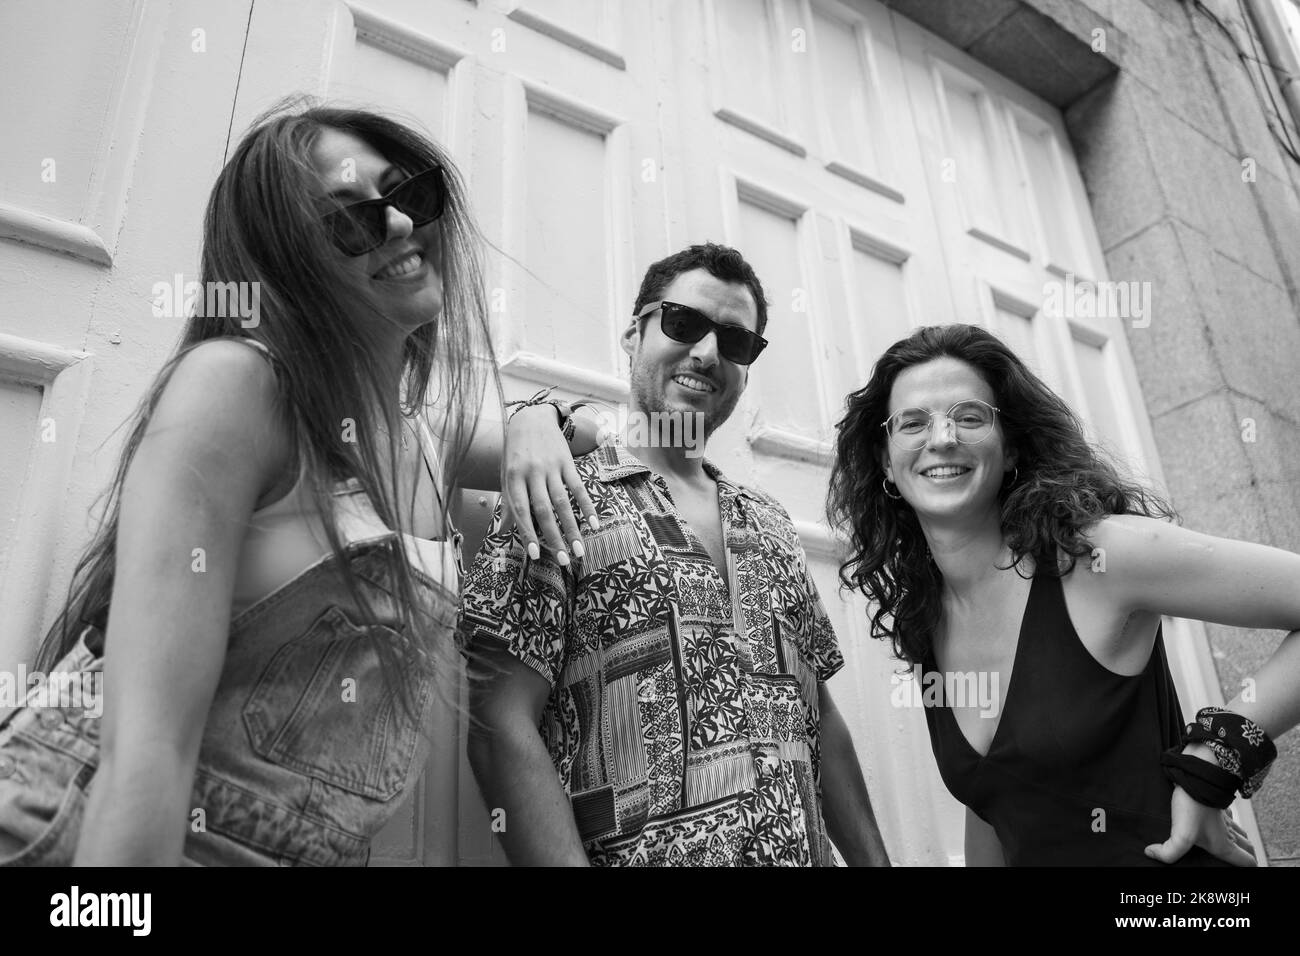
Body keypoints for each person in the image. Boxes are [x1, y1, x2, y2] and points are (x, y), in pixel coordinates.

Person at [0, 99, 597, 866]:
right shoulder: (240, 386)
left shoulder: (425, 436)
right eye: (349, 222)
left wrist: (535, 419)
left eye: (410, 196)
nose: (401, 228)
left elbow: (602, 435)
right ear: (284, 262)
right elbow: (147, 750)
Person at [458, 242, 891, 866]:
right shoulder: (560, 485)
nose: (708, 353)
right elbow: (498, 718)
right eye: (683, 324)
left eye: (736, 342)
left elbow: (817, 714)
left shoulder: (768, 521)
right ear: (635, 334)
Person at [826, 322, 1300, 866]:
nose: (942, 438)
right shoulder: (925, 622)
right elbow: (992, 803)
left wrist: (1214, 759)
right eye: (912, 422)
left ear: (1011, 450)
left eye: (970, 416)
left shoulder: (1101, 556)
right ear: (887, 462)